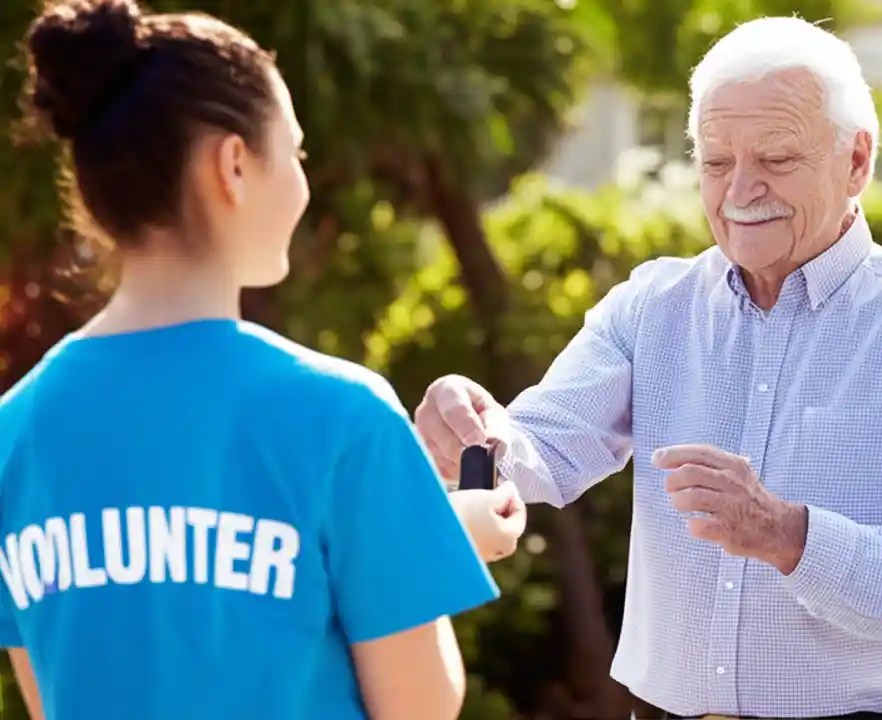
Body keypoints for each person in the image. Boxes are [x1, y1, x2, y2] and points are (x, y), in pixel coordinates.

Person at [415, 15, 882, 720]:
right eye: (716, 161)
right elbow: (540, 448)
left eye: (777, 159)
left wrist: (788, 535)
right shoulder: (651, 305)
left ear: (857, 161)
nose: (739, 191)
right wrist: (470, 437)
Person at [0, 1, 525, 719]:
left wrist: (411, 529)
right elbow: (420, 706)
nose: (304, 180)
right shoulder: (344, 414)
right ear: (235, 163)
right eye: (297, 152)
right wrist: (423, 538)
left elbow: (55, 698)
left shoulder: (13, 433)